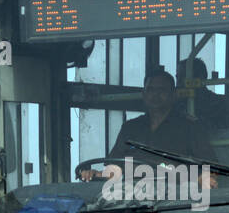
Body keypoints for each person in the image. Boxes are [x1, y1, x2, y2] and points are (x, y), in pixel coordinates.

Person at [80, 69, 217, 181]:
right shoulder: (130, 128)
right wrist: (97, 174)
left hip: (177, 200)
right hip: (134, 200)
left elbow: (210, 168)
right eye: (151, 90)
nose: (155, 95)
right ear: (144, 94)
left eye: (162, 90)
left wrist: (202, 178)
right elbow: (115, 167)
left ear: (173, 95)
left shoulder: (190, 127)